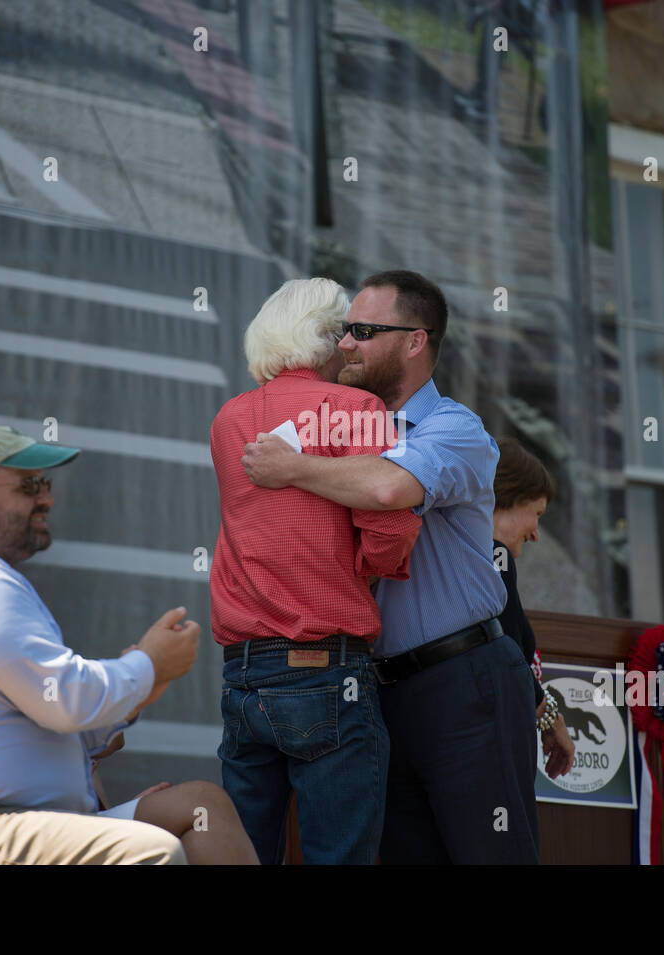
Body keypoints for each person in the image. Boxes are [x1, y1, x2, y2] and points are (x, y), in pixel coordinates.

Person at [242, 269, 538, 863]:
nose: (344, 343)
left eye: (363, 330)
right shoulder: (342, 429)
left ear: (414, 341)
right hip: (371, 690)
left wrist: (292, 466)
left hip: (463, 677)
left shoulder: (455, 428)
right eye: (342, 330)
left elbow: (388, 488)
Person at [0, 424, 257, 865]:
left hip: (6, 824)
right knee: (150, 854)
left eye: (45, 484)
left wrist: (141, 686)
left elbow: (54, 719)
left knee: (201, 807)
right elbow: (66, 701)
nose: (46, 498)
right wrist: (146, 665)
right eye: (29, 485)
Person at [210, 278, 422, 864]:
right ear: (328, 340)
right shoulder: (355, 409)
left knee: (244, 854)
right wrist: (365, 566)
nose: (353, 345)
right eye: (348, 332)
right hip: (326, 667)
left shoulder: (229, 420)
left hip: (244, 673)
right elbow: (389, 528)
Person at [491, 437, 573, 779]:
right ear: (509, 500)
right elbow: (507, 655)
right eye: (536, 514)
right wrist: (549, 717)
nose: (537, 533)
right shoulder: (494, 559)